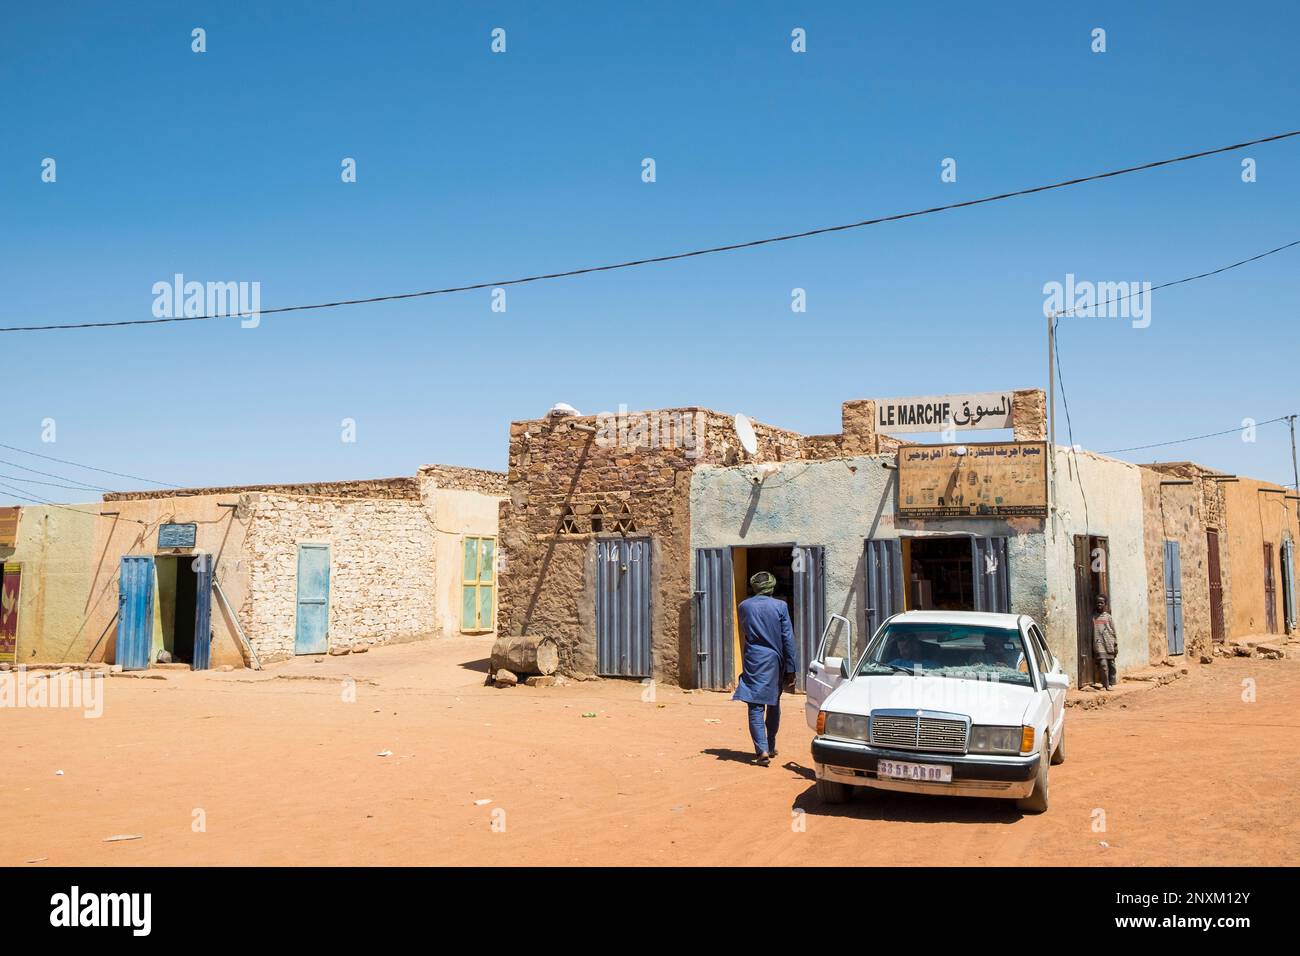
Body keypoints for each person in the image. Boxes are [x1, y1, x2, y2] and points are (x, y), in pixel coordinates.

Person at [732, 571, 797, 766]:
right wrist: (791, 667)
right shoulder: (781, 606)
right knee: (774, 702)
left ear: (754, 587)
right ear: (772, 586)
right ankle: (770, 744)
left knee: (755, 705)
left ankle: (762, 750)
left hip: (753, 659)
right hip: (774, 661)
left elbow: (746, 631)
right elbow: (788, 639)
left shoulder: (744, 606)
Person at [1092, 595, 1118, 690]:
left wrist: (1115, 644)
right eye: (1098, 603)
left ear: (1105, 604)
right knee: (1103, 664)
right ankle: (1105, 685)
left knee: (1111, 665)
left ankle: (1111, 682)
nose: (1099, 604)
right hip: (1099, 644)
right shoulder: (1093, 617)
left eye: (1101, 603)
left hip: (1109, 643)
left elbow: (1113, 631)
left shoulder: (1108, 617)